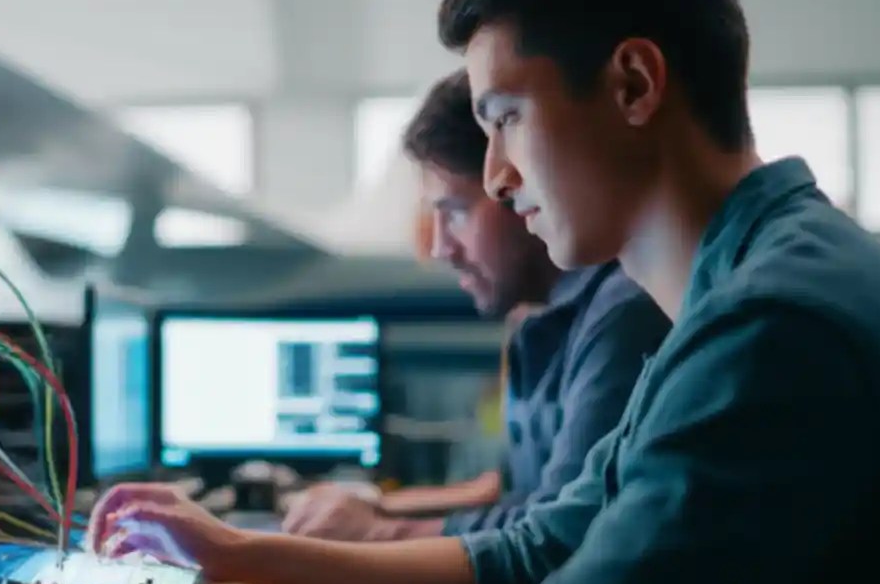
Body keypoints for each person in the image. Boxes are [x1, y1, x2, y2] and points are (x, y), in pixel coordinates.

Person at [0, 0, 880, 584]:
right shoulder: (736, 297)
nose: (499, 177)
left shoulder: (768, 329)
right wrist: (235, 551)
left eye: (506, 118)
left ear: (635, 85)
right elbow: (535, 554)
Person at [282, 71, 669, 542]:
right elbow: (514, 492)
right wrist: (372, 505)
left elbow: (554, 534)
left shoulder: (621, 319)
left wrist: (379, 531)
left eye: (455, 213)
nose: (441, 248)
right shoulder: (541, 319)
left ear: (520, 190)